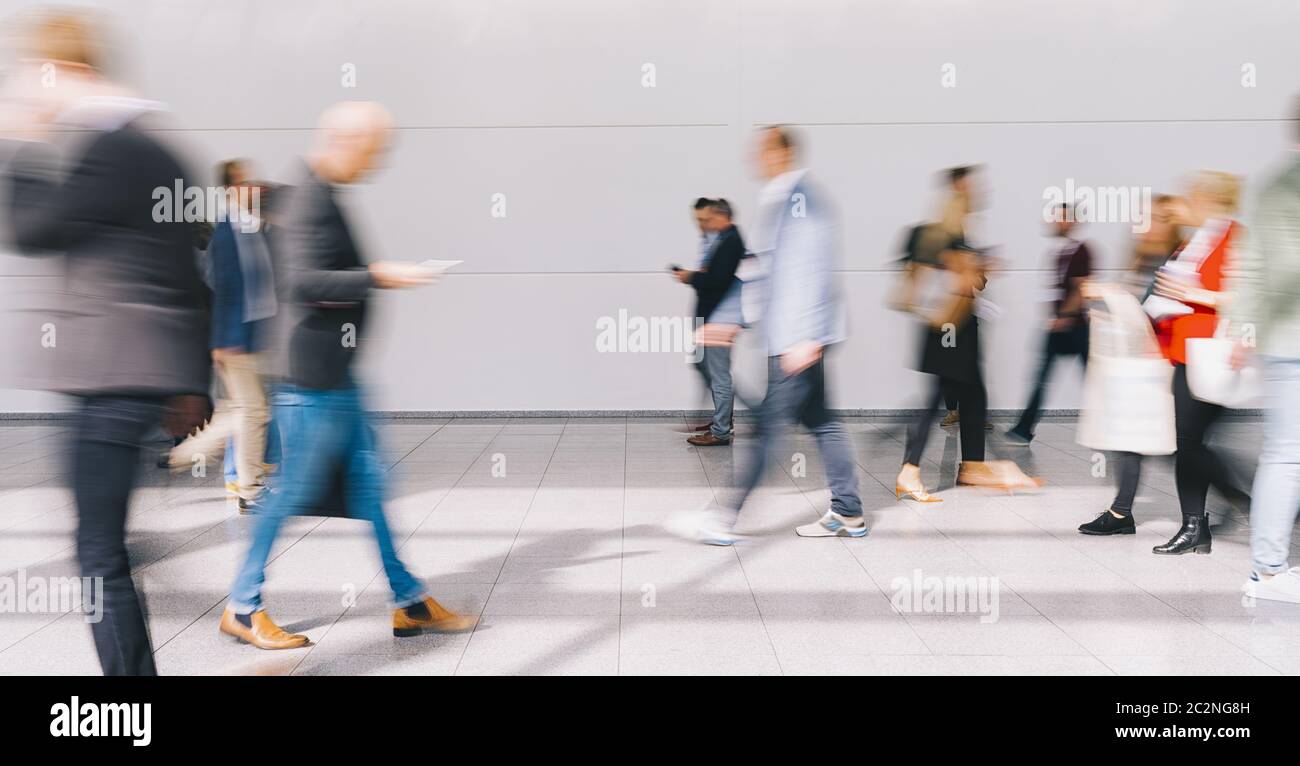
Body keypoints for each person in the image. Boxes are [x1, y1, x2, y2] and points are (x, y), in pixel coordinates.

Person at [221, 101, 476, 649]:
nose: (379, 160)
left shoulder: (323, 192)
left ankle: (408, 601)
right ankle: (243, 607)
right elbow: (305, 281)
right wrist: (380, 276)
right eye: (375, 149)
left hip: (336, 375)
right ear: (347, 142)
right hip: (313, 379)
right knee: (290, 492)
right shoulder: (310, 197)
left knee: (370, 486)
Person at [1, 9, 210, 675]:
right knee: (108, 545)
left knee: (98, 554)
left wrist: (21, 148)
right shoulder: (161, 146)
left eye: (36, 75)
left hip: (109, 379)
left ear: (65, 69)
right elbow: (193, 274)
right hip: (144, 377)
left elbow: (33, 230)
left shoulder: (111, 148)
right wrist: (190, 381)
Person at [667, 126, 864, 544]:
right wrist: (732, 319)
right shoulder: (779, 199)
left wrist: (808, 338)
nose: (755, 157)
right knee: (823, 423)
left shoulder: (802, 200)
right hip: (792, 339)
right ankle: (849, 512)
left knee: (766, 430)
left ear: (782, 153)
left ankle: (722, 518)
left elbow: (814, 271)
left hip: (796, 342)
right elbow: (762, 271)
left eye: (762, 150)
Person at [892, 175, 1041, 499]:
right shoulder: (939, 236)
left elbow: (968, 281)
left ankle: (972, 466)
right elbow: (943, 280)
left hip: (957, 327)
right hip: (948, 330)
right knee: (941, 397)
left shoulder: (950, 236)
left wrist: (977, 268)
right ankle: (914, 469)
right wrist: (971, 268)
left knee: (972, 394)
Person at [168, 160, 277, 512]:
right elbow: (223, 288)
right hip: (236, 339)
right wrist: (223, 340)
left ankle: (187, 453)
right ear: (230, 189)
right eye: (245, 182)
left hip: (252, 334)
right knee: (252, 412)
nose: (253, 187)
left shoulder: (251, 228)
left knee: (238, 411)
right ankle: (250, 490)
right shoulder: (228, 233)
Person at [1147, 171, 1246, 555]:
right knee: (1189, 443)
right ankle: (1198, 524)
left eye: (1193, 196)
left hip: (1211, 354)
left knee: (1190, 443)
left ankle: (1202, 522)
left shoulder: (1235, 237)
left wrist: (1190, 293)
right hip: (1185, 352)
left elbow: (1242, 297)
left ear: (1211, 199)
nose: (1186, 203)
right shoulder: (1196, 241)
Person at [1077, 195, 1186, 536]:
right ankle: (1121, 512)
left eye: (1152, 218)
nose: (1144, 224)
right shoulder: (1145, 259)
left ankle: (1250, 499)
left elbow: (1157, 309)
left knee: (1184, 448)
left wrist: (1112, 295)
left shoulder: (1173, 260)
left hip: (1168, 365)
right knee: (1133, 440)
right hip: (1147, 370)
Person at [1229, 122, 1300, 599]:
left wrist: (1245, 327)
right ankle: (1268, 570)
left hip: (1283, 337)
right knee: (1287, 453)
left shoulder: (1275, 183)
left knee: (1284, 451)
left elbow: (1253, 262)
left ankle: (1268, 569)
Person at [1007, 202, 1094, 444]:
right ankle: (1024, 429)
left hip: (1076, 329)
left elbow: (1081, 289)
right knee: (1041, 378)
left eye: (1063, 218)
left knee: (1092, 382)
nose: (1057, 222)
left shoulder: (1082, 251)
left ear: (1074, 221)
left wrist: (1064, 317)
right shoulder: (1059, 252)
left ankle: (1112, 428)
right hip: (1059, 327)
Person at [675, 197, 745, 446]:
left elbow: (717, 280)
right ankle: (722, 419)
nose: (702, 225)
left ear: (720, 216)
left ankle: (721, 430)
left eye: (706, 219)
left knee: (719, 376)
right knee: (702, 365)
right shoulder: (719, 240)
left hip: (721, 320)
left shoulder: (731, 242)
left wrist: (691, 277)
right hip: (712, 319)